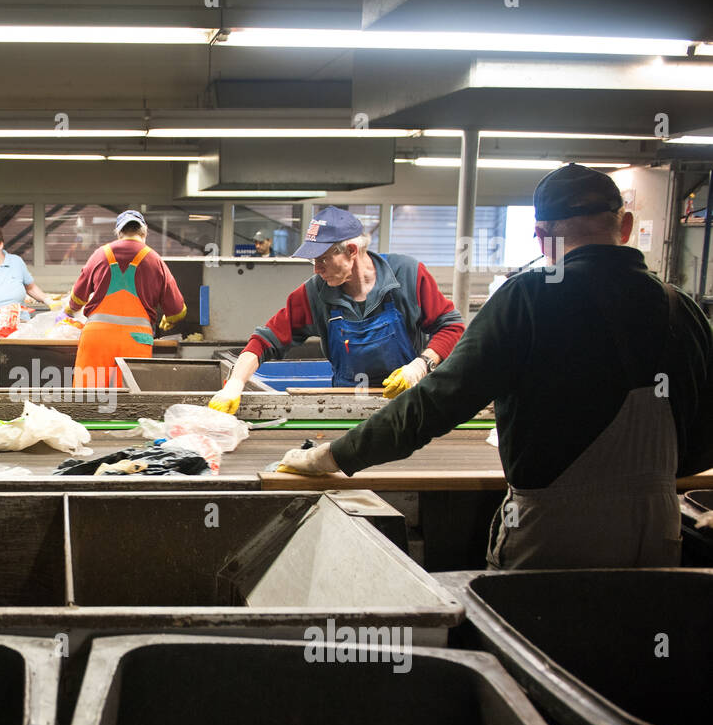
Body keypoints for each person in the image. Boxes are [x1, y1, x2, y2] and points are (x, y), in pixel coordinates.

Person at [278, 164, 713, 570]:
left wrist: (335, 454)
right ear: (625, 226)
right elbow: (701, 443)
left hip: (553, 531)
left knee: (530, 641)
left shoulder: (528, 300)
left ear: (541, 236)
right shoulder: (682, 309)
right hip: (657, 528)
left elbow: (439, 400)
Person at [210, 206, 464, 412]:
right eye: (313, 260)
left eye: (323, 259)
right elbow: (264, 341)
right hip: (344, 408)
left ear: (351, 251)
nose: (316, 269)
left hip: (408, 405)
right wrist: (234, 383)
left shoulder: (407, 275)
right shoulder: (315, 293)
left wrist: (420, 366)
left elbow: (452, 327)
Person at [64, 209, 188, 388]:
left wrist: (68, 309)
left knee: (88, 399)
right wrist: (168, 320)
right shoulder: (155, 260)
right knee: (130, 403)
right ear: (144, 233)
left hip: (98, 339)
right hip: (137, 341)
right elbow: (177, 310)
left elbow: (77, 298)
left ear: (119, 233)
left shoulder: (100, 254)